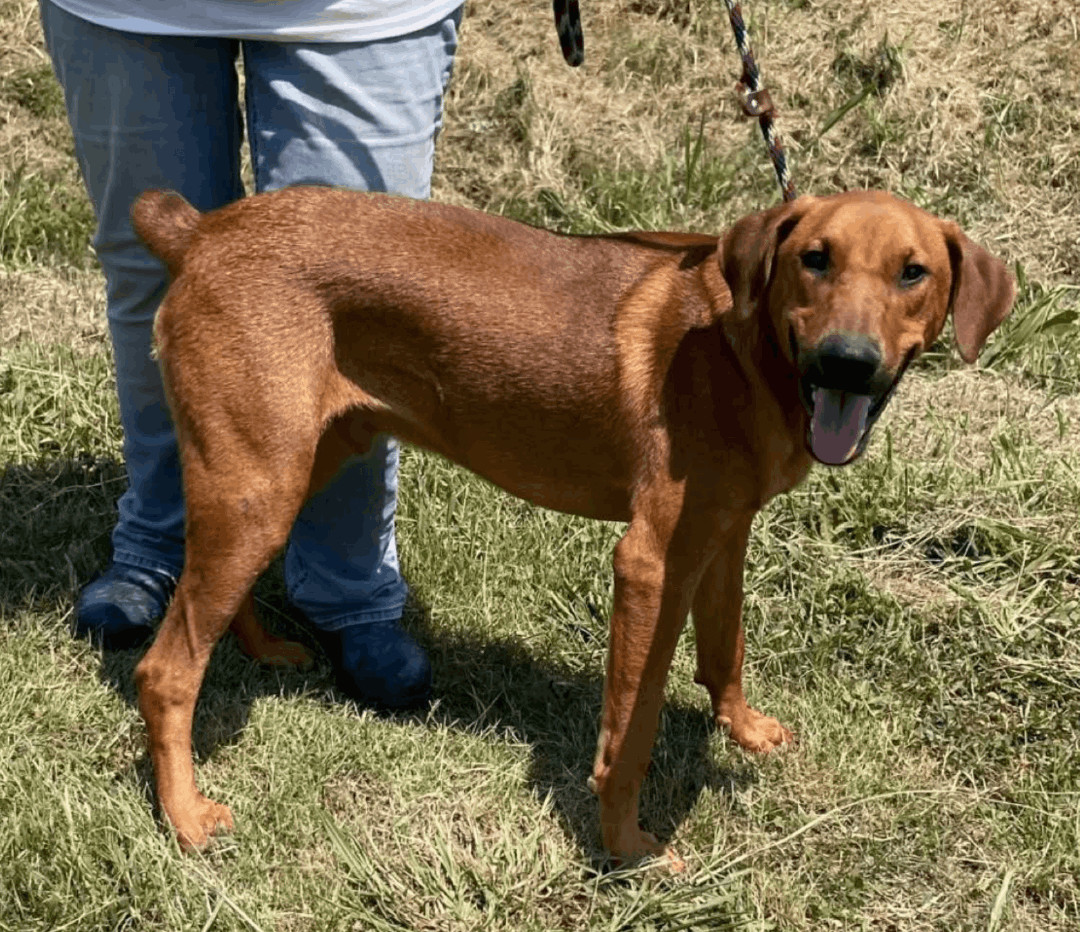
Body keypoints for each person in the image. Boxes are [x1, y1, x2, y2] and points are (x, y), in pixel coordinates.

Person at [40, 0, 463, 709]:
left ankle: (347, 583)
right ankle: (161, 538)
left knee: (362, 311)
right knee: (158, 274)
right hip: (128, 10)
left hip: (362, 12)